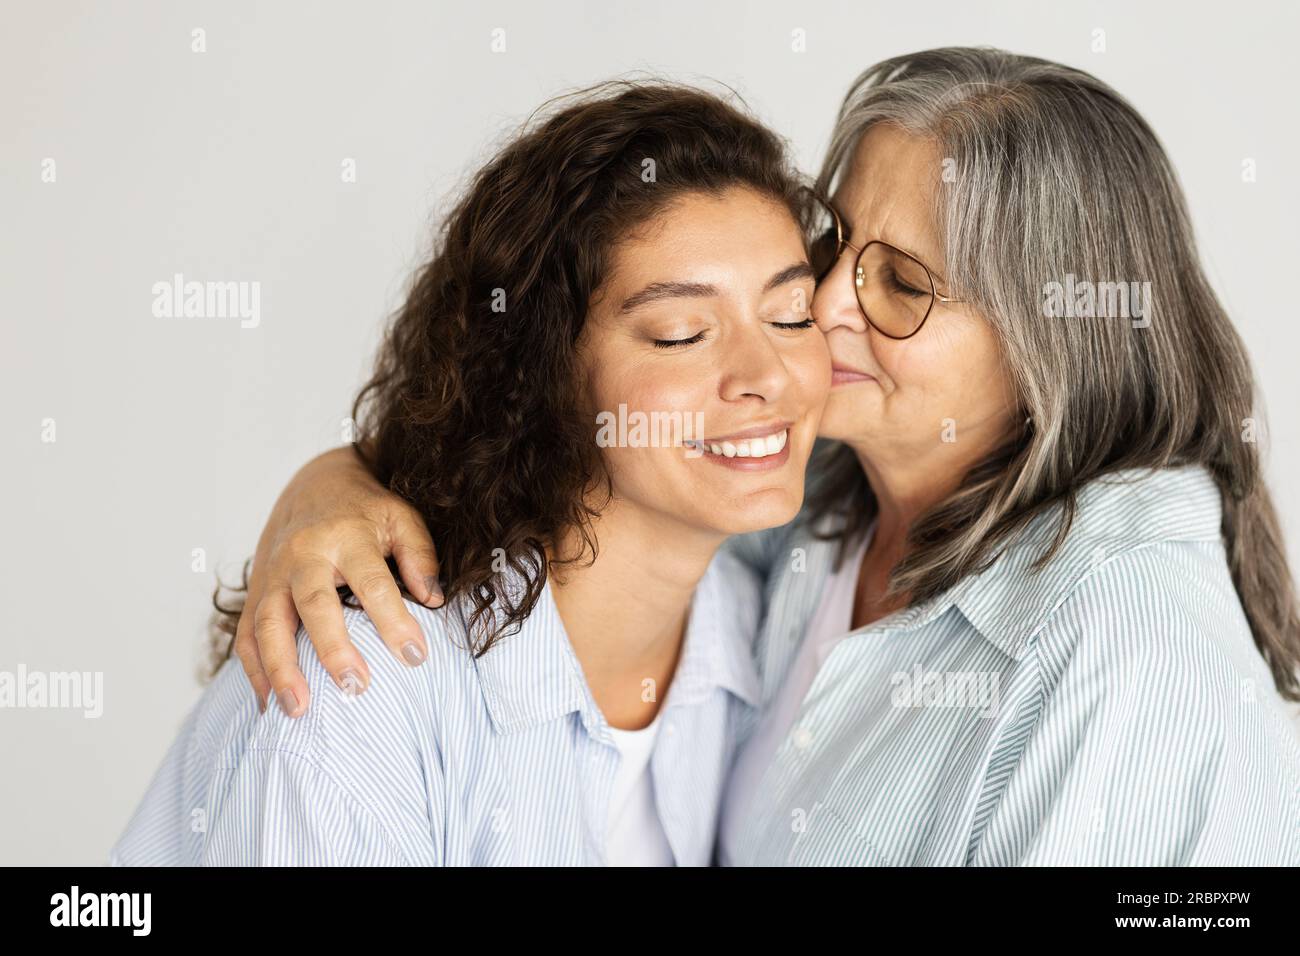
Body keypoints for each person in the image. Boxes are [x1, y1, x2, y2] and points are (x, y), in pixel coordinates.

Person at [111, 81, 830, 865]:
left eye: (792, 315)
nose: (768, 373)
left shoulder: (754, 618)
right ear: (544, 373)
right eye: (680, 333)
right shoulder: (361, 693)